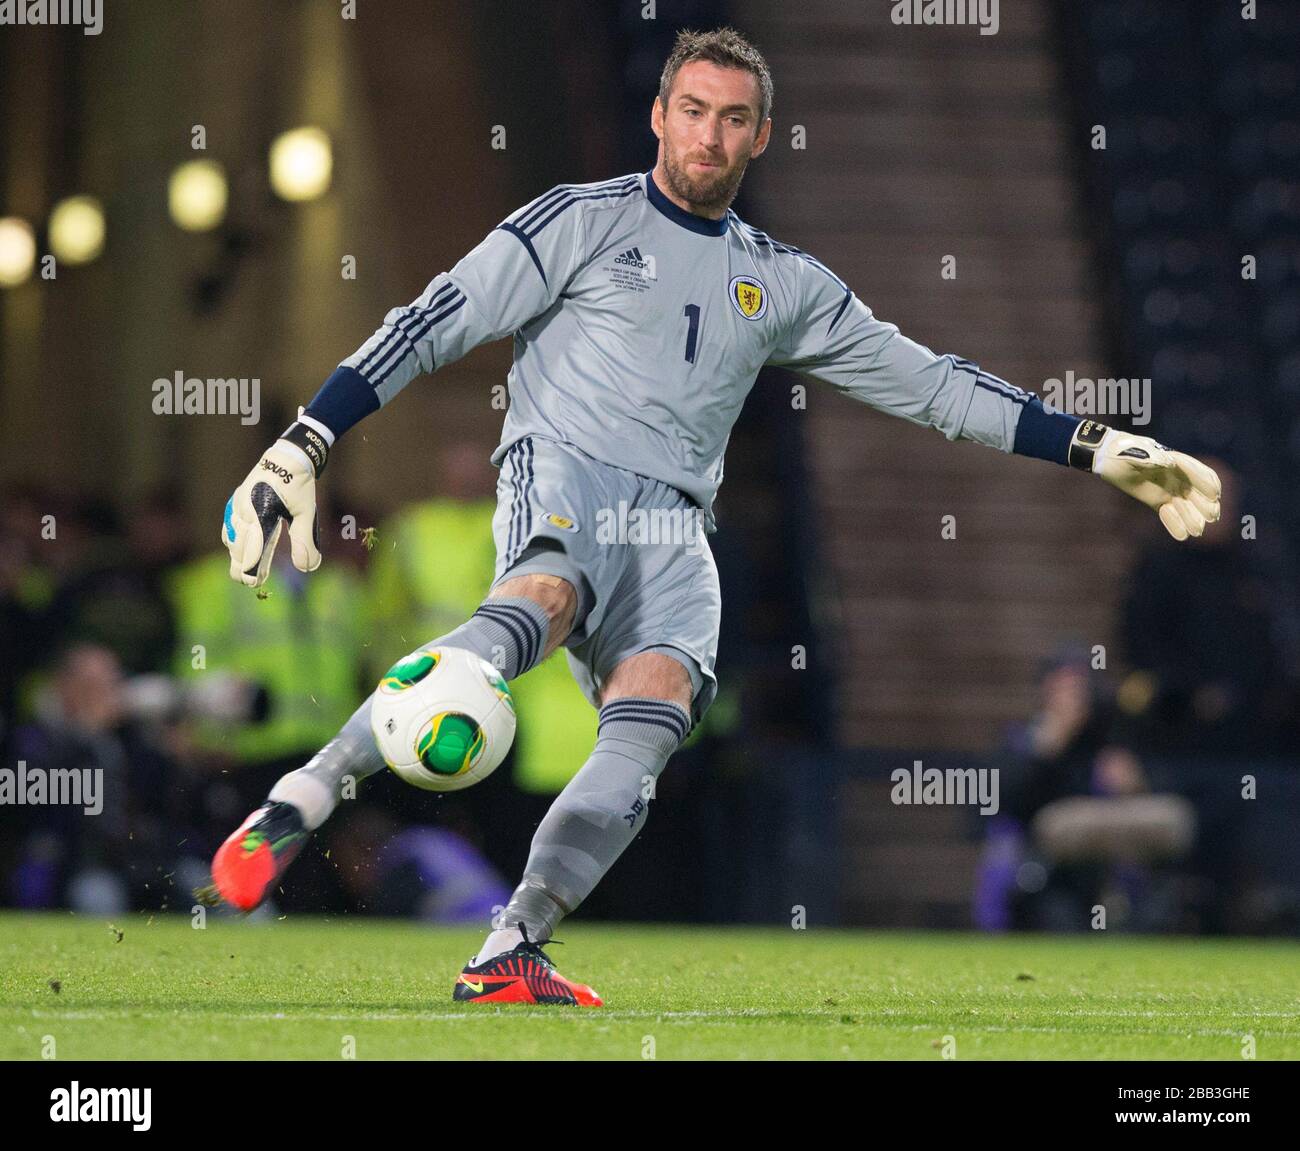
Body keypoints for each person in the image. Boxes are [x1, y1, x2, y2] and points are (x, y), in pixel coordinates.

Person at [208, 27, 1222, 1006]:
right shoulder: (579, 219)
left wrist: (1092, 444)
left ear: (761, 136)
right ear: (657, 116)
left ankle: (511, 944)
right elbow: (432, 319)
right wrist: (306, 440)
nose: (709, 136)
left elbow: (932, 385)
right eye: (691, 111)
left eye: (733, 119)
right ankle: (303, 796)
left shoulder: (780, 282)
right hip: (567, 472)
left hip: (676, 528)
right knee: (546, 593)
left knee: (647, 727)